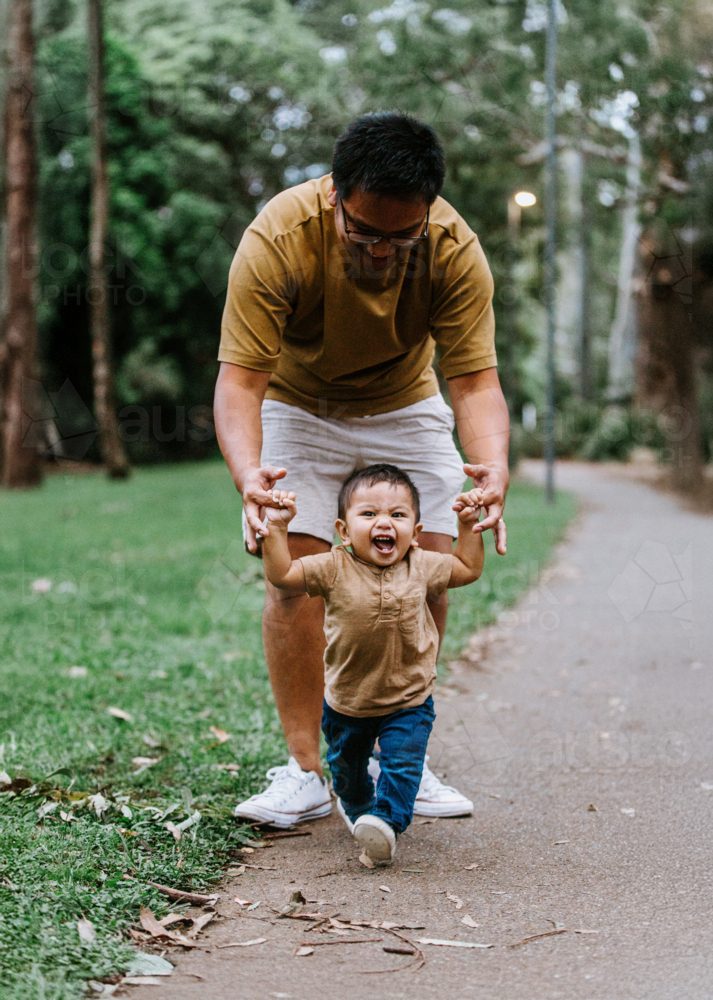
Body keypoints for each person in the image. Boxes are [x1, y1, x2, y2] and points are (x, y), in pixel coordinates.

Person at [214, 110, 509, 826]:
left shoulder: (452, 248)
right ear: (333, 196)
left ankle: (399, 760)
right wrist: (249, 476)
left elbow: (472, 382)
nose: (383, 252)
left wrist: (491, 469)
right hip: (297, 404)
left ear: (428, 211)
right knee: (296, 580)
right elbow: (240, 381)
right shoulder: (279, 237)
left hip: (404, 404)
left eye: (401, 237)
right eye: (365, 234)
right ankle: (306, 770)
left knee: (426, 566)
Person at [260, 465, 485, 859]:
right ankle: (365, 815)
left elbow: (467, 568)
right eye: (369, 514)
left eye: (398, 515)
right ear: (344, 531)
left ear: (415, 532)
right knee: (347, 777)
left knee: (402, 766)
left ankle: (388, 819)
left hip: (409, 700)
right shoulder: (333, 566)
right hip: (346, 702)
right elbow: (282, 576)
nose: (385, 522)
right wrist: (277, 529)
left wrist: (467, 526)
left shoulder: (423, 563)